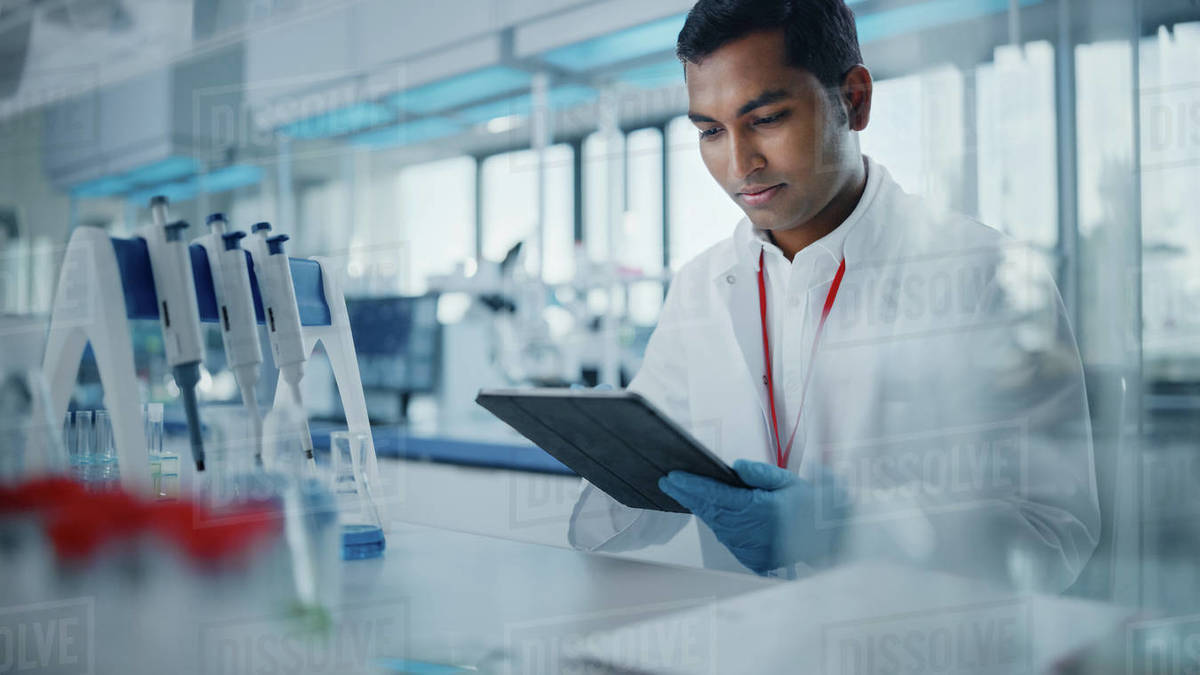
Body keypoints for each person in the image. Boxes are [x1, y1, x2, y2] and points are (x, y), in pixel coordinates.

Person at [568, 0, 1099, 592]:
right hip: (750, 641)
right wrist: (602, 452)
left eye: (766, 118)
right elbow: (627, 513)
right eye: (711, 131)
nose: (740, 163)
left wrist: (845, 532)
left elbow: (1054, 530)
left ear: (854, 99)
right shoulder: (701, 286)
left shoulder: (982, 272)